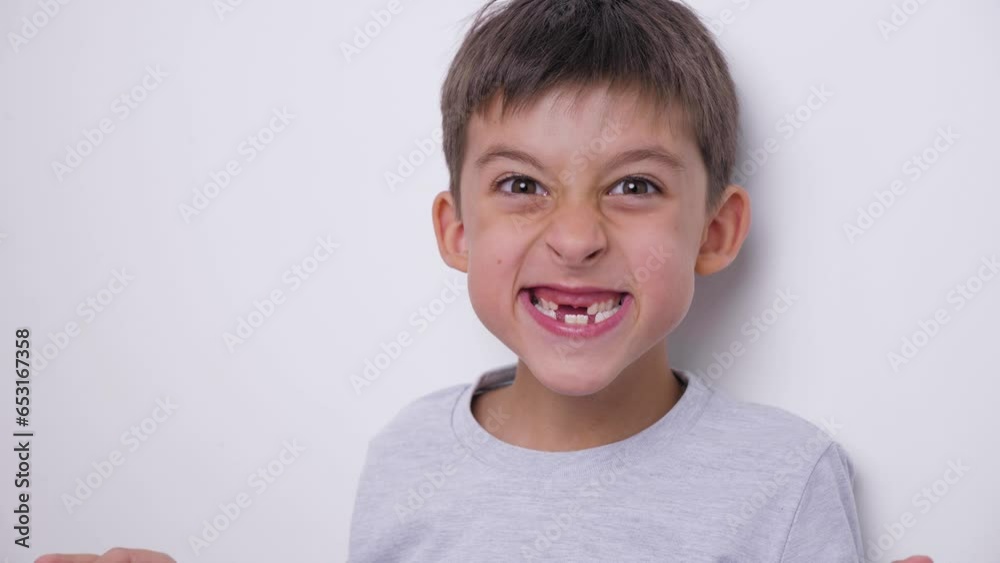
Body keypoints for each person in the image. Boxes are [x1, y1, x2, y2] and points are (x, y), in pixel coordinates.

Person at [36, 0, 936, 561]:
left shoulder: (787, 477)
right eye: (520, 185)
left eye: (634, 185)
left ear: (716, 230)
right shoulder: (406, 456)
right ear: (457, 230)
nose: (576, 235)